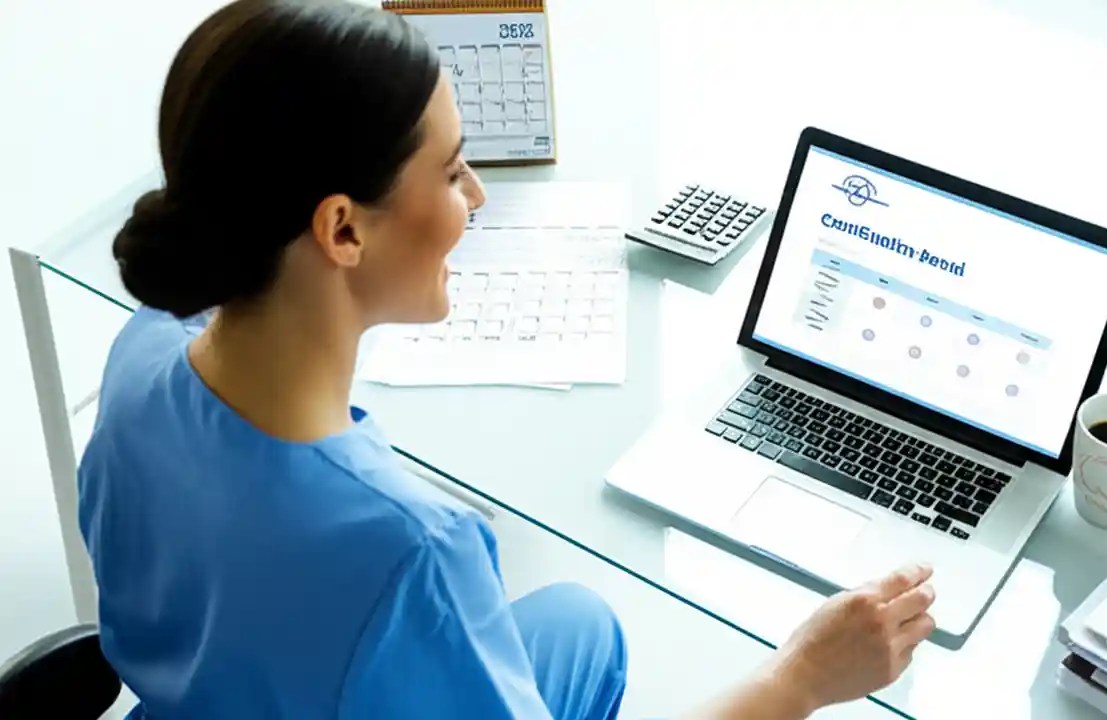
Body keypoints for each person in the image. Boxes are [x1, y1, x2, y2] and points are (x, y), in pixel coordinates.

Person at [77, 1, 937, 718]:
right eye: (453, 174)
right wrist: (799, 679)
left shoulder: (140, 348)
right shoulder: (416, 550)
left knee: (580, 623)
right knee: (588, 634)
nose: (477, 196)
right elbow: (375, 560)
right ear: (343, 228)